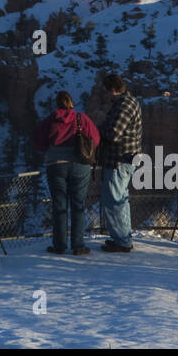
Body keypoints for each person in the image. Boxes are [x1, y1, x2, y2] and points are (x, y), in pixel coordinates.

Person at [34, 91, 100, 255]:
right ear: (71, 103)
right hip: (79, 165)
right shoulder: (81, 118)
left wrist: (52, 148)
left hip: (55, 165)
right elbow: (95, 138)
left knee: (59, 206)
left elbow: (38, 141)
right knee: (78, 205)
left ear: (57, 104)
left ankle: (59, 246)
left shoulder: (50, 120)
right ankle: (78, 246)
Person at [96, 75, 140, 252]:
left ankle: (121, 241)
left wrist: (99, 128)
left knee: (114, 200)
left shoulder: (124, 105)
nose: (106, 95)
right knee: (121, 199)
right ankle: (123, 238)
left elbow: (114, 133)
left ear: (112, 89)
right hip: (123, 160)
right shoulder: (129, 102)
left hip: (119, 160)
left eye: (106, 91)